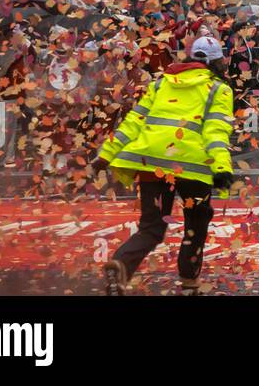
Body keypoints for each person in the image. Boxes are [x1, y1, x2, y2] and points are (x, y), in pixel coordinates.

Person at [94, 35, 236, 295]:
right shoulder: (219, 89)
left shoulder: (161, 83)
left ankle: (121, 264)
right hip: (193, 165)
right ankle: (190, 282)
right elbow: (216, 131)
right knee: (196, 223)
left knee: (151, 226)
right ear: (217, 62)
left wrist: (106, 154)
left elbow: (134, 121)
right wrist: (222, 168)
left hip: (151, 163)